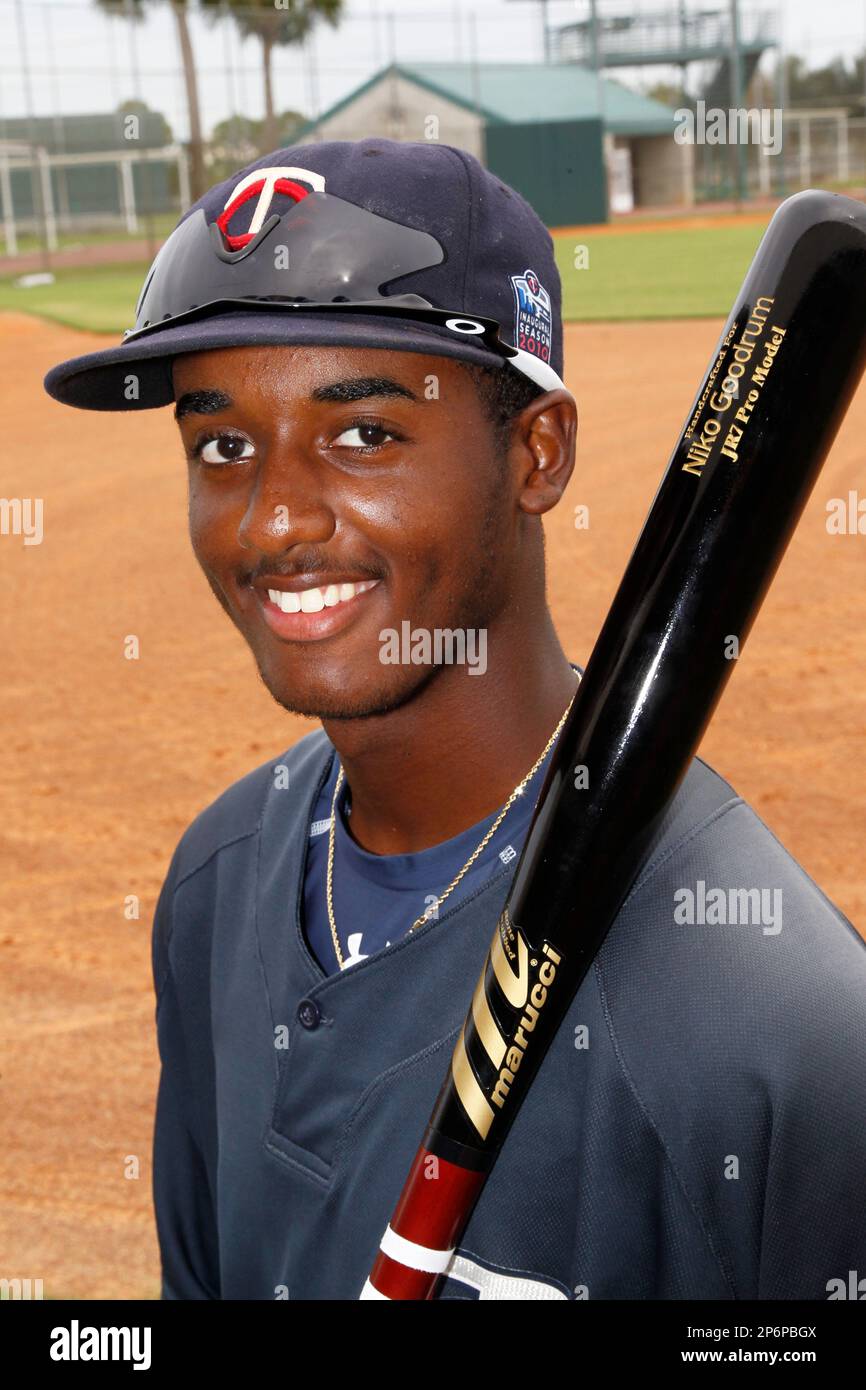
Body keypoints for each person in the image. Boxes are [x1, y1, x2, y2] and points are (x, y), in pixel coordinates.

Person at [44, 138, 866, 1301]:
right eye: (222, 445)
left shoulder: (781, 1037)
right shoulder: (214, 887)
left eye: (363, 434)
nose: (273, 520)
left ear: (536, 453)